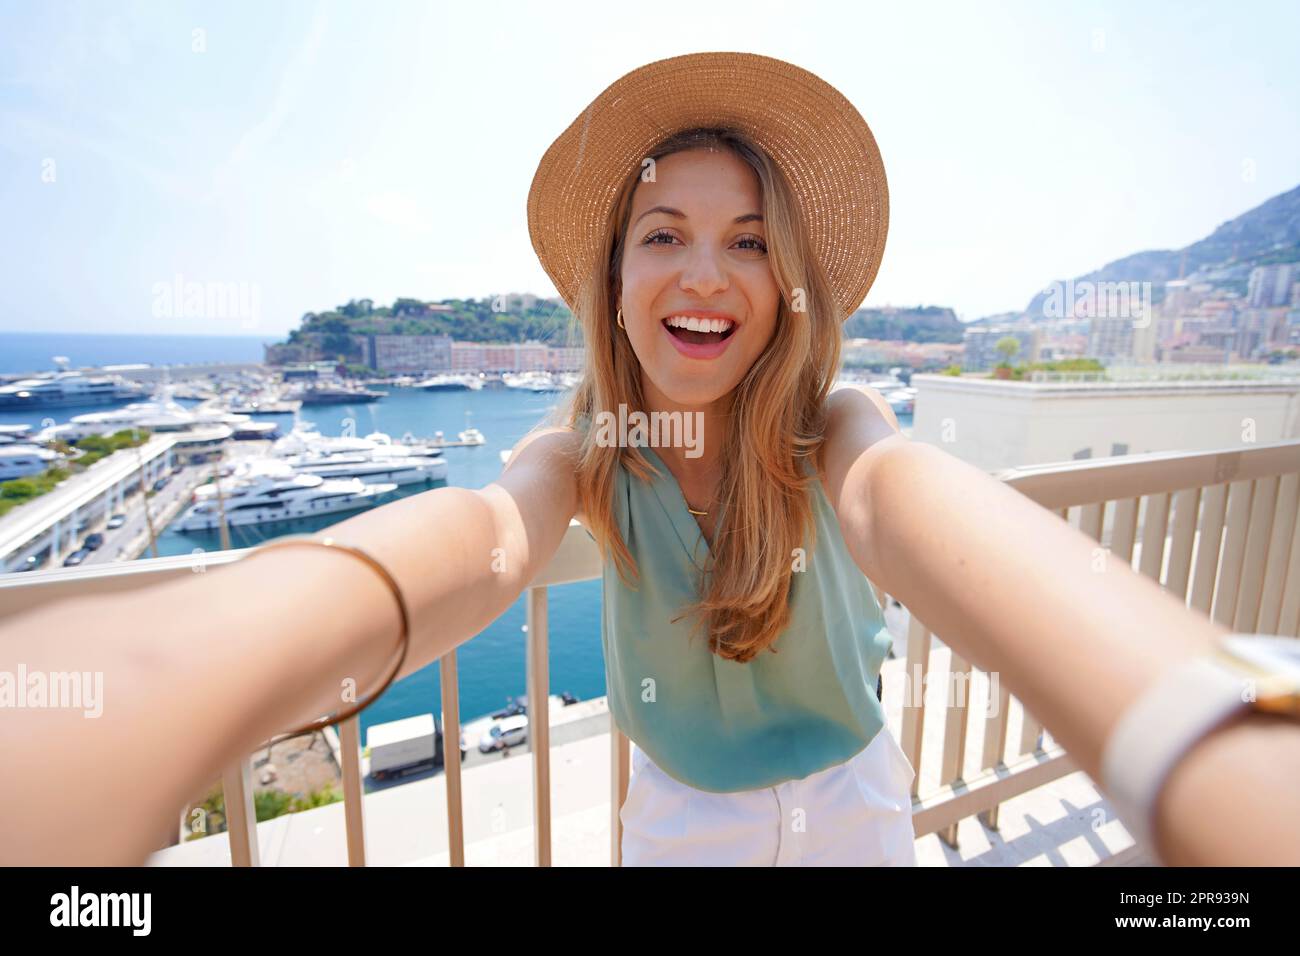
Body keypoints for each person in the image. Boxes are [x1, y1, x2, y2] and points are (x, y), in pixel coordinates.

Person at [1, 52, 1297, 868]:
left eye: (747, 239)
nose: (704, 271)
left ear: (786, 283)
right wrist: (177, 664)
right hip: (685, 835)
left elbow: (917, 509)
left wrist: (1198, 717)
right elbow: (489, 540)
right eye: (662, 232)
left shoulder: (831, 428)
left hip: (864, 811)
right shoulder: (593, 450)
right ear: (614, 280)